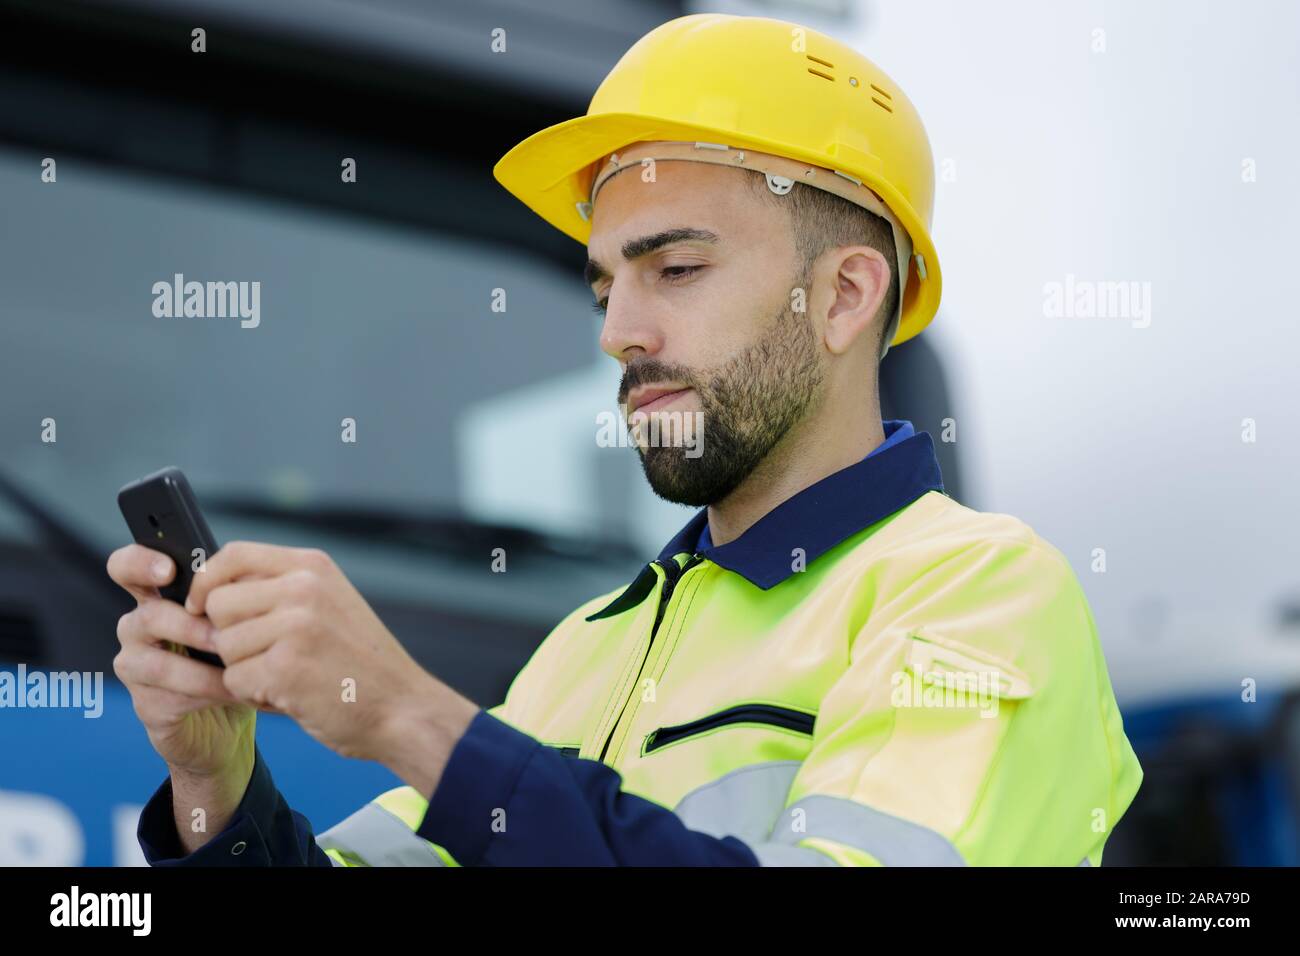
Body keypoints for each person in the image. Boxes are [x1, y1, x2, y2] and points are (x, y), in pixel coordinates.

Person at [109, 12, 1141, 867]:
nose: (615, 331)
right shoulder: (585, 648)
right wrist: (214, 778)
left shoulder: (981, 595)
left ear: (842, 295)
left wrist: (410, 717)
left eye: (676, 269)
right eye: (607, 285)